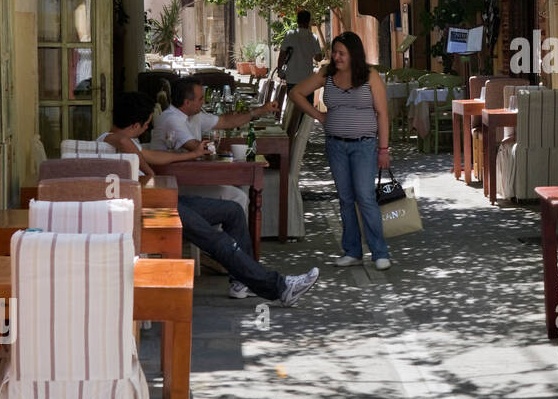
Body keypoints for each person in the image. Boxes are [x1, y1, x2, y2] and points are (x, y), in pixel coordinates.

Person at [105, 92, 318, 306]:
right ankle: (280, 287)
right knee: (217, 241)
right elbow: (123, 142)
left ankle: (241, 282)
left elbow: (155, 155)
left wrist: (191, 154)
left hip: (162, 202)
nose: (147, 129)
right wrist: (152, 176)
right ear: (135, 125)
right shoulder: (112, 140)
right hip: (153, 210)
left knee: (233, 210)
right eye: (146, 125)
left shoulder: (129, 142)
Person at [289, 30, 392, 270]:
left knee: (365, 197)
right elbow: (296, 93)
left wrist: (384, 149)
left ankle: (380, 252)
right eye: (334, 52)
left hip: (364, 145)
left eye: (341, 53)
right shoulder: (327, 73)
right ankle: (352, 251)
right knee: (345, 199)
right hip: (335, 144)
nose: (336, 57)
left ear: (353, 54)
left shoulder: (369, 76)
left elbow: (382, 114)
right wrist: (318, 116)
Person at [150, 76, 279, 211]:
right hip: (174, 182)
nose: (203, 102)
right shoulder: (172, 119)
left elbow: (226, 122)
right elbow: (195, 147)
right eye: (200, 99)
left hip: (188, 174)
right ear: (187, 102)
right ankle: (224, 231)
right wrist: (222, 152)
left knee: (238, 187)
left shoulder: (193, 115)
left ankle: (218, 229)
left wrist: (256, 112)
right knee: (238, 196)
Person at [277, 10, 324, 87]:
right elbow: (319, 58)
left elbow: (282, 55)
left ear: (297, 21)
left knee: (292, 99)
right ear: (309, 22)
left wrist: (279, 71)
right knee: (307, 99)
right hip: (307, 79)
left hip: (292, 78)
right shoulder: (313, 37)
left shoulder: (289, 35)